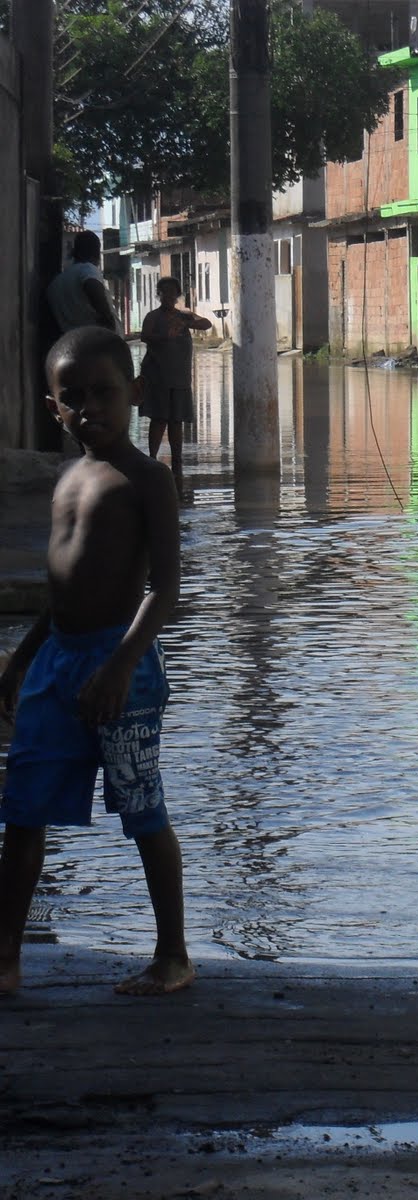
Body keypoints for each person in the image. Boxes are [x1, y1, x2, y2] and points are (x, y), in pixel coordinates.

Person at [0, 326, 192, 998]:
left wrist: (118, 664)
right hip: (57, 665)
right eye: (72, 398)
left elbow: (163, 589)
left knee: (143, 809)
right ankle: (6, 959)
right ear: (54, 408)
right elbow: (61, 591)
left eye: (104, 393)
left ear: (135, 392)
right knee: (23, 806)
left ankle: (173, 954)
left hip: (124, 668)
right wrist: (22, 658)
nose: (90, 408)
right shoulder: (69, 475)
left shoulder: (148, 479)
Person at [140, 276, 212, 490]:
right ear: (159, 295)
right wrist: (166, 335)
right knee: (159, 417)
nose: (169, 296)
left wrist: (186, 322)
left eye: (173, 292)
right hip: (158, 375)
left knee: (176, 419)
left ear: (178, 295)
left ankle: (177, 461)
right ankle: (152, 458)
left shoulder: (184, 316)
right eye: (164, 292)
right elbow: (145, 336)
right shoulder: (153, 316)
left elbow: (206, 324)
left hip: (180, 377)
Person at [45, 230, 120, 336]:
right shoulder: (87, 269)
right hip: (99, 344)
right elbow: (92, 284)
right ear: (96, 253)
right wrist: (109, 322)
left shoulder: (56, 283)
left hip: (73, 345)